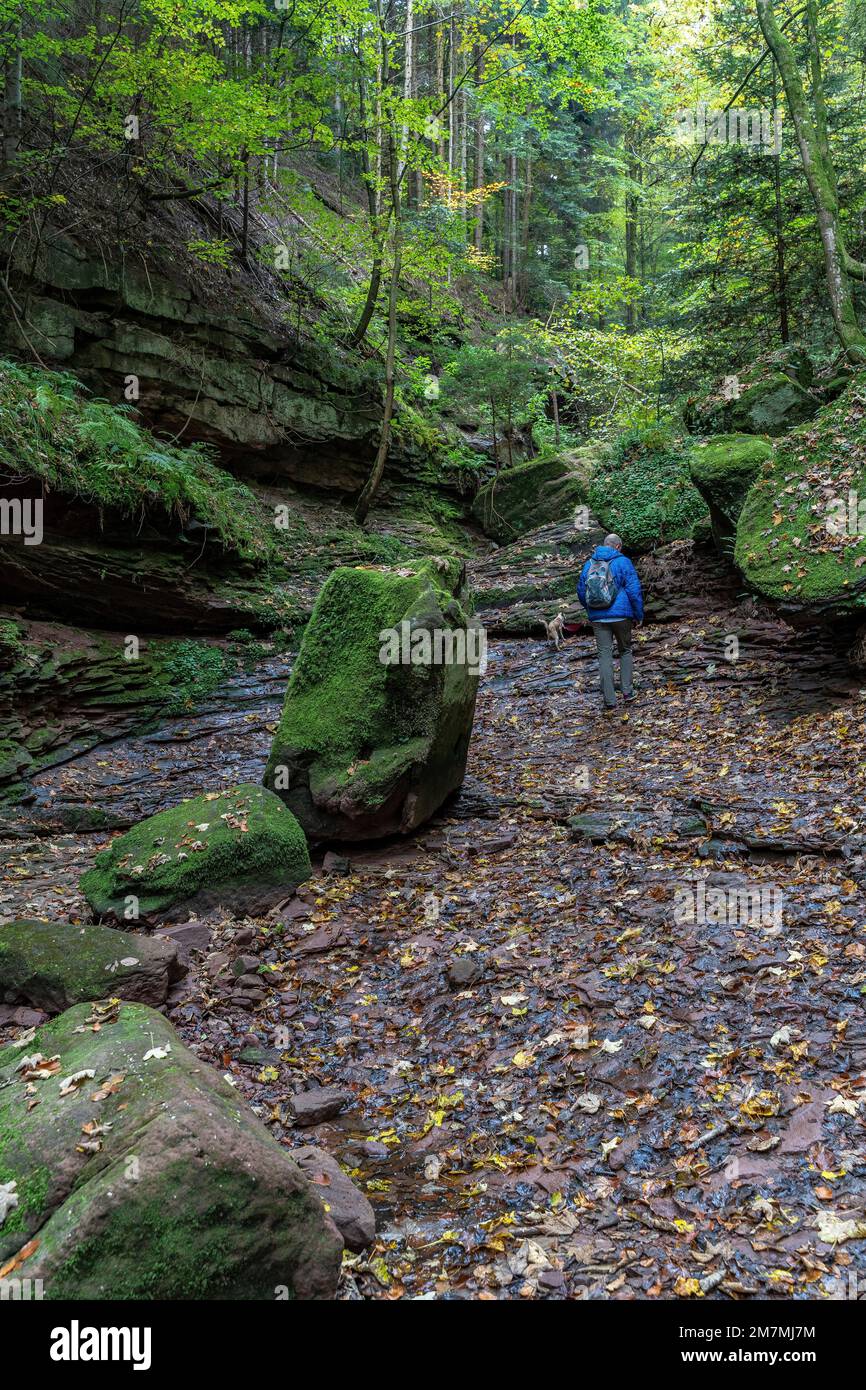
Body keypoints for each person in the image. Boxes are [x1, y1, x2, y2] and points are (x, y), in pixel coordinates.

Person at [577, 533, 644, 710]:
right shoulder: (623, 562)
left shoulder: (589, 563)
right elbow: (634, 590)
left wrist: (591, 610)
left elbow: (581, 590)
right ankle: (628, 692)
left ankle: (609, 701)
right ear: (618, 546)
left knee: (604, 656)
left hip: (598, 618)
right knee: (625, 651)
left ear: (604, 545)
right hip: (622, 616)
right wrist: (638, 614)